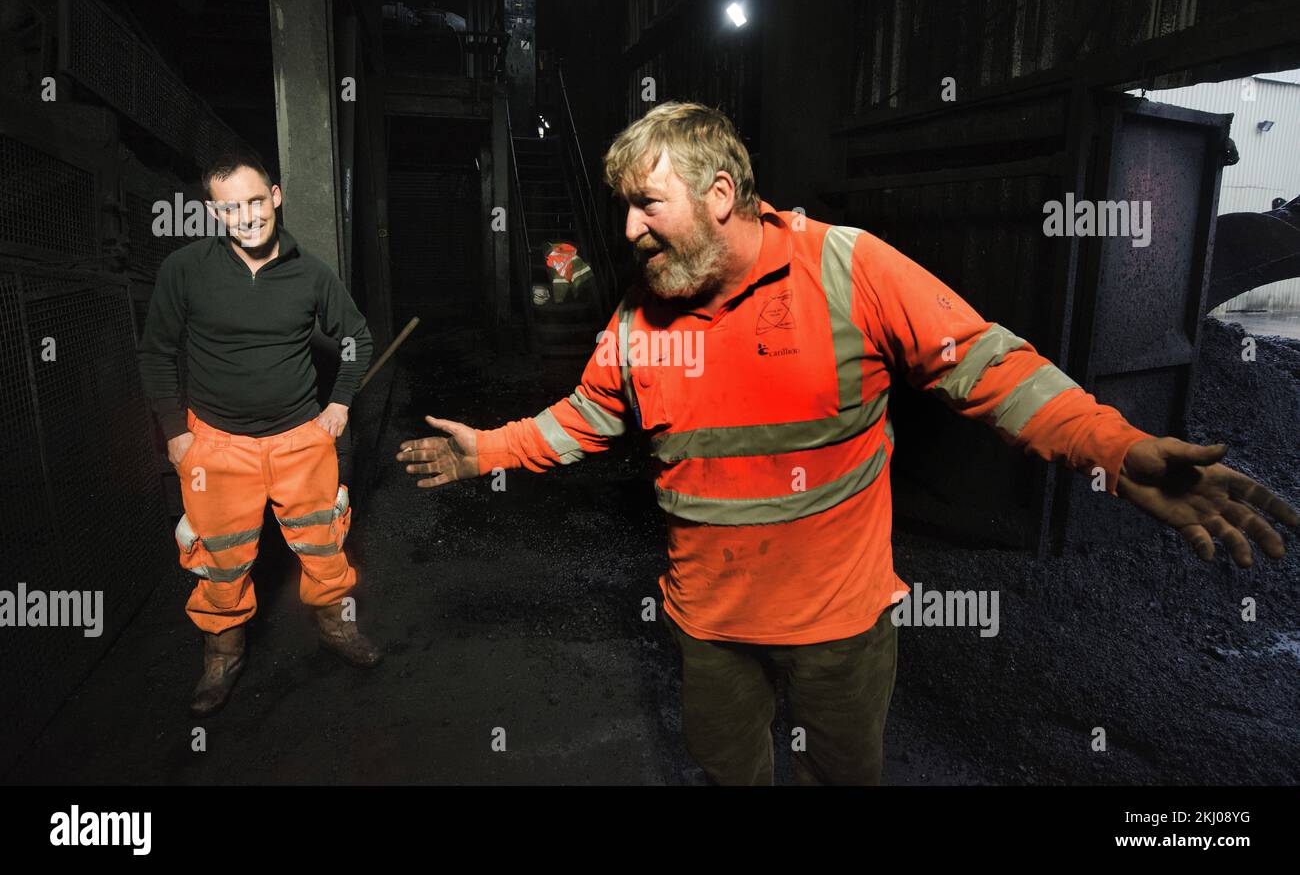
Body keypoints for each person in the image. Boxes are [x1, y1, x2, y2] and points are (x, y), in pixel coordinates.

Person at [395, 102, 1297, 784]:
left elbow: (990, 367)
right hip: (708, 626)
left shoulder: (847, 268)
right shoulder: (639, 319)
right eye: (623, 207)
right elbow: (585, 416)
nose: (627, 229)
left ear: (719, 196)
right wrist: (491, 450)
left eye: (646, 203)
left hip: (839, 626)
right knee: (729, 772)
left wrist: (1116, 445)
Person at [138, 150, 382, 717]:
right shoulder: (185, 270)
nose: (245, 217)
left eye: (254, 201)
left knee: (324, 546)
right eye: (229, 209)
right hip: (216, 445)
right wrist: (175, 433)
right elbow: (157, 353)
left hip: (301, 439)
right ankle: (222, 657)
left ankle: (337, 630)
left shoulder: (312, 273)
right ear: (212, 213)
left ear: (275, 196)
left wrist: (340, 401)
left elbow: (356, 339)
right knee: (219, 560)